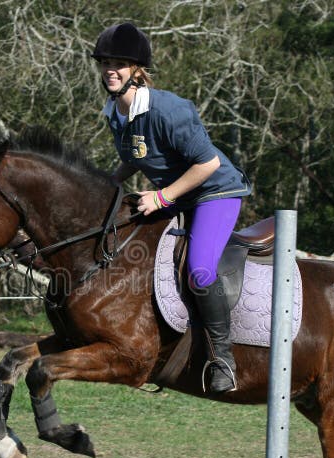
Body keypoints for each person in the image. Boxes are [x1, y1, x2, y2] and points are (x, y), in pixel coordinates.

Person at [92, 22, 252, 393]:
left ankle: (222, 360)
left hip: (216, 193)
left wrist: (162, 198)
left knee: (199, 269)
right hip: (179, 195)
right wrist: (110, 185)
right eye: (105, 62)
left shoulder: (168, 109)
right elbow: (136, 156)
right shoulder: (114, 112)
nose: (110, 70)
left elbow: (208, 164)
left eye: (119, 63)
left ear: (137, 70)